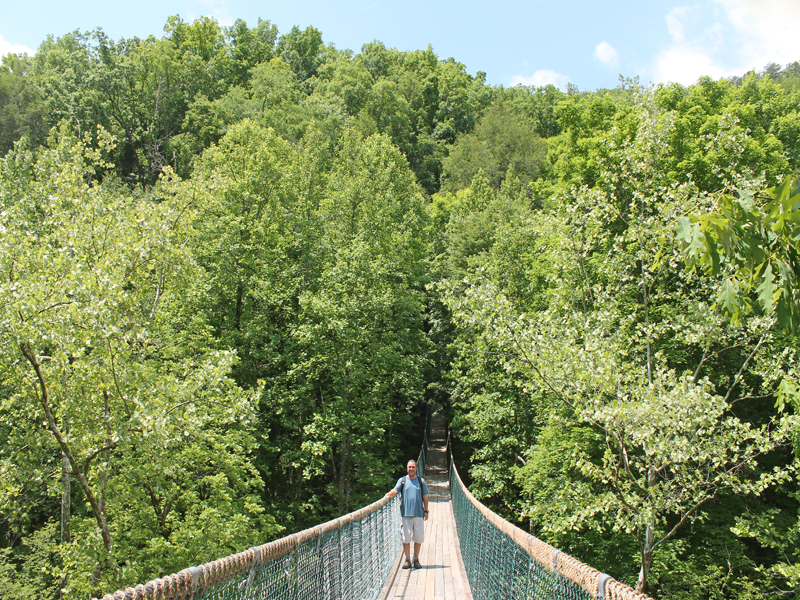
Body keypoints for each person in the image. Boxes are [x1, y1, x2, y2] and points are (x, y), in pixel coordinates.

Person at [384, 459, 429, 569]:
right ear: (407, 468)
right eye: (409, 467)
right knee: (406, 539)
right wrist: (389, 494)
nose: (411, 469)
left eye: (413, 467)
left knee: (418, 539)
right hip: (406, 514)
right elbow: (396, 490)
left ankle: (416, 559)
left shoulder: (421, 481)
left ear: (416, 468)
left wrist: (426, 511)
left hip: (418, 514)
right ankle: (408, 559)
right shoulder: (402, 480)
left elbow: (425, 497)